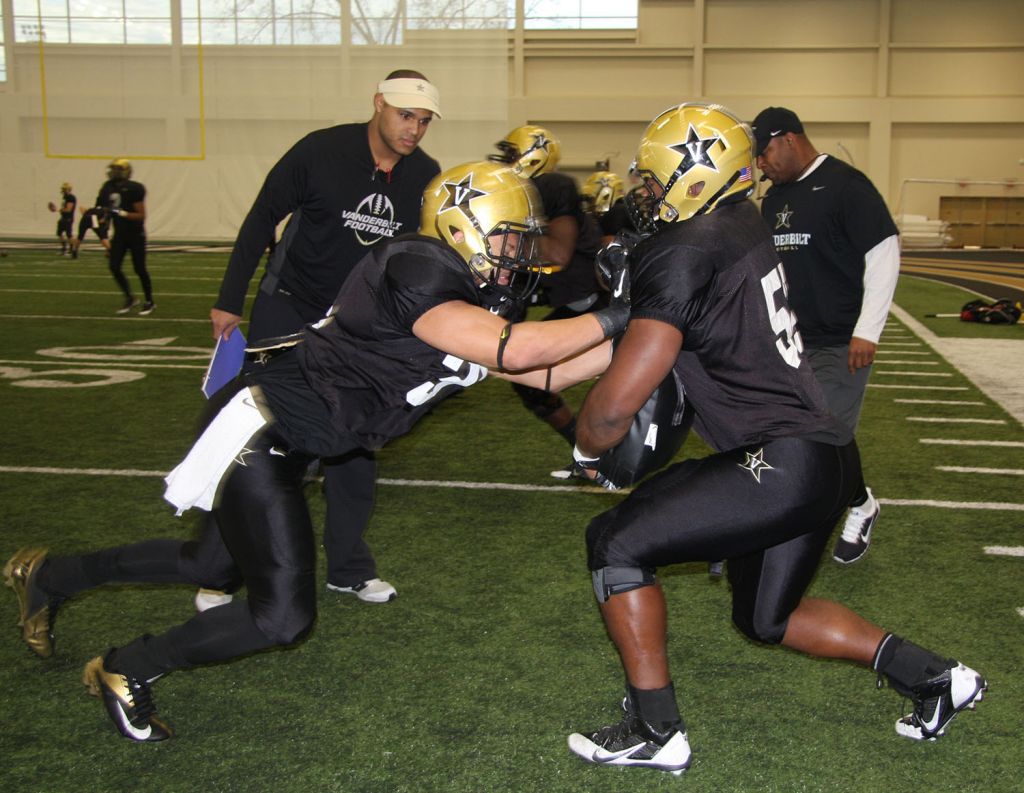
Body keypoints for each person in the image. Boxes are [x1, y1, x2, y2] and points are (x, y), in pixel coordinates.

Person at [3, 161, 627, 742]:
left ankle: (49, 576)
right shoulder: (415, 266)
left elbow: (546, 376)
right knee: (281, 618)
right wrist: (626, 311)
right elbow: (516, 351)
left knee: (209, 565)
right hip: (264, 428)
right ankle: (128, 667)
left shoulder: (477, 294)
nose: (522, 253)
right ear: (466, 227)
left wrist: (656, 335)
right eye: (512, 238)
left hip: (291, 435)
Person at [563, 103, 985, 775]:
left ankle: (655, 730)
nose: (646, 190)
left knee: (614, 542)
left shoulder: (684, 250)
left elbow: (618, 402)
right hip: (825, 457)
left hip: (777, 460)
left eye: (656, 178)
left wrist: (588, 448)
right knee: (767, 617)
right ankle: (938, 676)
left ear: (696, 179)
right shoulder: (742, 220)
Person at [204, 69, 443, 608]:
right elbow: (261, 218)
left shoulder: (424, 175)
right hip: (287, 307)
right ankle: (219, 570)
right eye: (406, 115)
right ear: (378, 103)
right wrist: (229, 299)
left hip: (358, 327)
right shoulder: (320, 151)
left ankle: (348, 567)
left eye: (424, 120)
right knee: (257, 443)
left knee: (357, 443)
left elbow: (418, 257)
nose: (415, 129)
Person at [753, 106, 899, 564]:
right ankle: (860, 501)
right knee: (796, 437)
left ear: (790, 139)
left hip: (840, 341)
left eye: (765, 152)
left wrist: (867, 331)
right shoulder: (773, 199)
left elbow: (884, 251)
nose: (761, 163)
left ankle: (828, 521)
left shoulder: (845, 186)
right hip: (790, 341)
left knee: (825, 439)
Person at [489, 125, 605, 468]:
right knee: (525, 376)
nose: (506, 161)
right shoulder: (522, 193)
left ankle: (595, 452)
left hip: (590, 300)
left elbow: (557, 253)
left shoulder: (553, 185)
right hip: (568, 299)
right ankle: (586, 452)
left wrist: (494, 243)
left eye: (513, 153)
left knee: (529, 370)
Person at [96, 159, 155, 315]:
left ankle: (149, 300)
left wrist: (121, 213)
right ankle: (130, 297)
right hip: (119, 234)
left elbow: (141, 215)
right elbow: (104, 211)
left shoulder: (134, 188)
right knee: (114, 266)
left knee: (140, 269)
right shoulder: (107, 187)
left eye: (117, 169)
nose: (114, 172)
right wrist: (102, 219)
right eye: (113, 169)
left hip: (135, 234)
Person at [48, 183, 76, 256]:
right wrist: (58, 210)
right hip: (63, 218)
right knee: (59, 233)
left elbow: (68, 209)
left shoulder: (71, 197)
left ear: (68, 189)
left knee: (69, 235)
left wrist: (56, 209)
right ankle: (64, 249)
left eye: (64, 189)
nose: (63, 190)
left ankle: (72, 250)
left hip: (68, 218)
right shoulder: (65, 197)